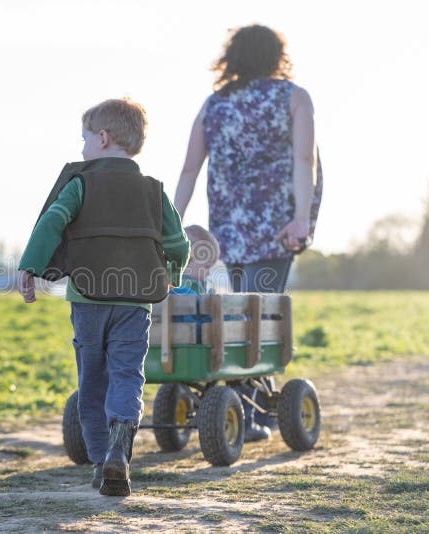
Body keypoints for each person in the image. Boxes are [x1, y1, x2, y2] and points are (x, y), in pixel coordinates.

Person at [18, 98, 190, 496]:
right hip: (135, 304)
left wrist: (31, 268)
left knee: (92, 380)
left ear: (102, 137)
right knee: (128, 375)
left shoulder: (81, 183)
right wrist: (170, 277)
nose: (81, 149)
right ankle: (120, 452)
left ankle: (100, 461)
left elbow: (53, 221)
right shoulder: (154, 191)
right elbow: (178, 244)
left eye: (84, 139)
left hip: (88, 299)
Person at [173, 25, 323, 441]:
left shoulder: (214, 105)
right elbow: (303, 162)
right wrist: (302, 219)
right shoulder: (294, 97)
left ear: (232, 57)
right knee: (256, 315)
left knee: (241, 312)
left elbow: (189, 170)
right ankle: (251, 412)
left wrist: (170, 222)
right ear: (278, 55)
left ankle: (250, 407)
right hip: (275, 230)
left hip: (228, 230)